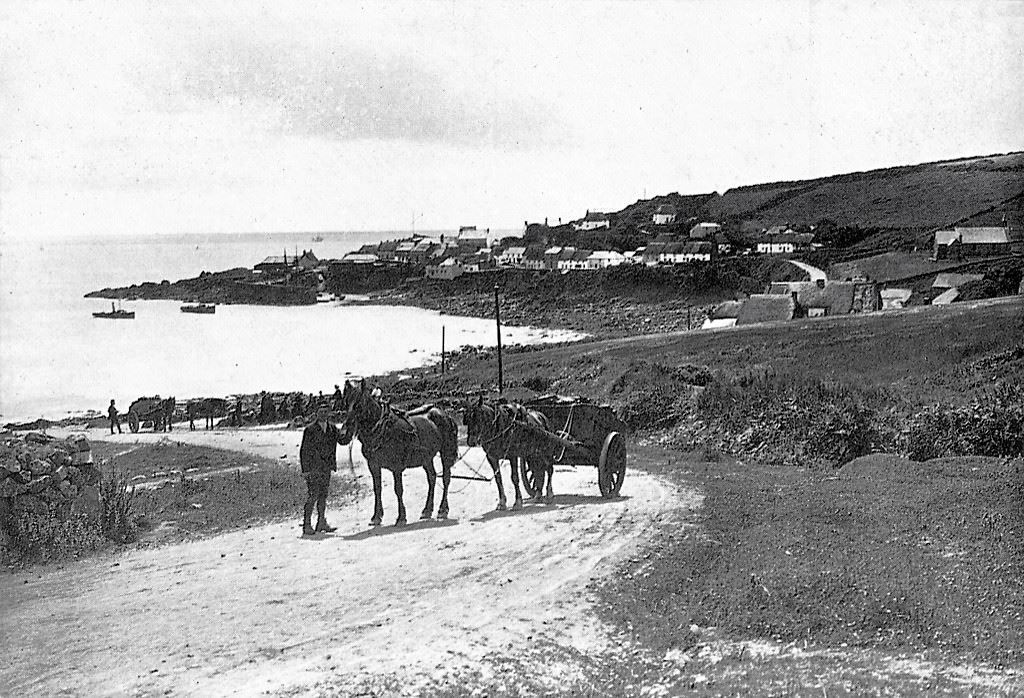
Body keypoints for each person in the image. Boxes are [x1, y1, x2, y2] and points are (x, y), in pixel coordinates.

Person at [298, 402, 350, 535]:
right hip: (313, 468)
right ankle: (307, 524)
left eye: (325, 412)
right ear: (316, 413)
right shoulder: (310, 429)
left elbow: (342, 441)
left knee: (323, 496)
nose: (323, 414)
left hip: (326, 468)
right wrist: (305, 471)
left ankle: (321, 522)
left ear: (329, 413)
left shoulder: (332, 428)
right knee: (313, 495)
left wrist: (349, 430)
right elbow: (304, 451)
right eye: (321, 412)